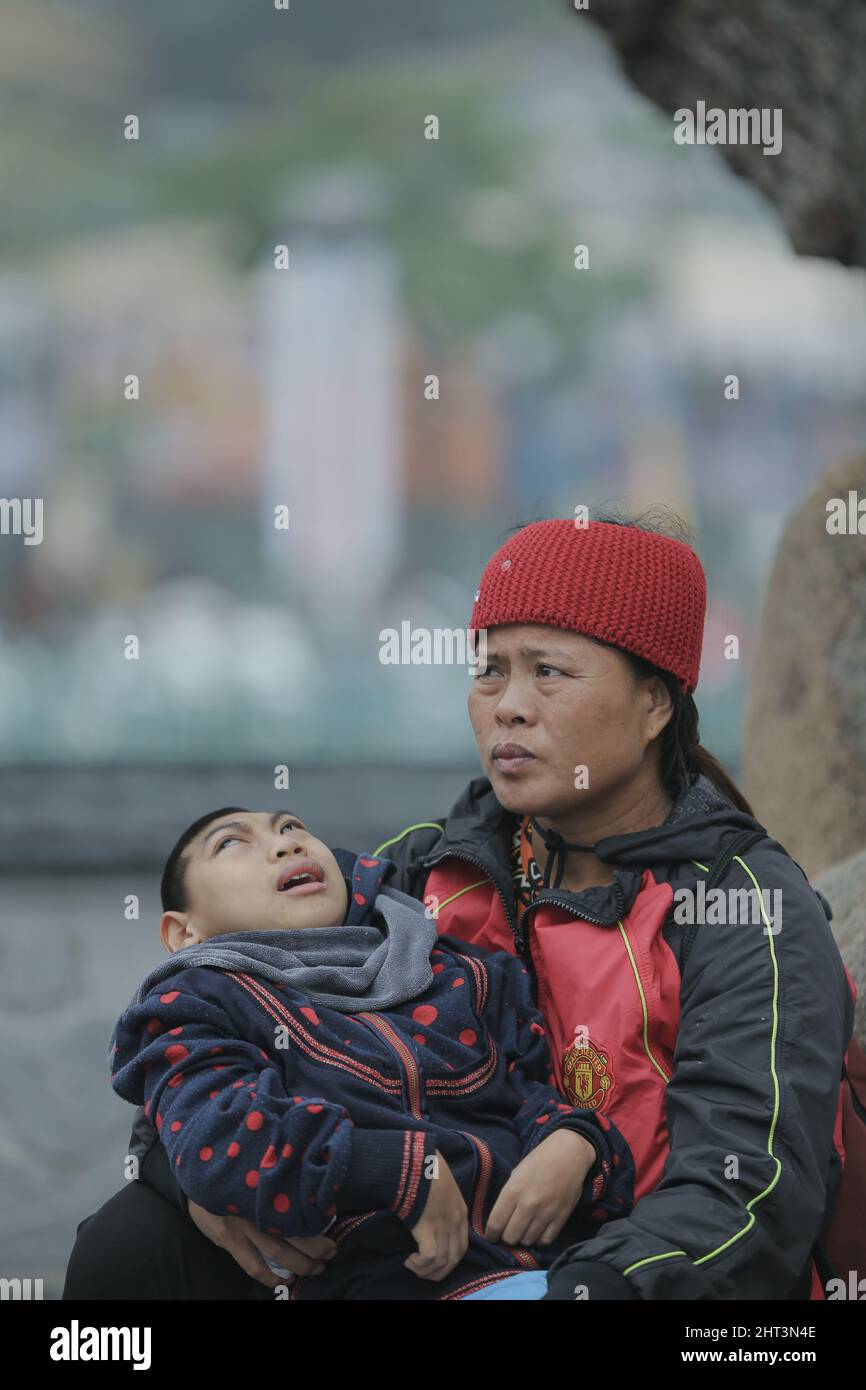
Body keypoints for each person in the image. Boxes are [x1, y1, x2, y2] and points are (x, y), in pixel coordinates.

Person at [65, 513, 855, 1301]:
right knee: (133, 1244)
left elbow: (745, 1198)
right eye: (489, 671)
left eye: (548, 672)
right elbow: (210, 1034)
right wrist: (194, 1180)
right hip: (413, 1256)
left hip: (625, 1281)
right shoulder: (426, 871)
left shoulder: (744, 908)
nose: (508, 706)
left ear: (655, 704)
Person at [91, 807, 634, 1301]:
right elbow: (220, 1139)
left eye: (292, 827)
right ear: (184, 931)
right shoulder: (199, 1004)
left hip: (551, 1272)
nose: (286, 845)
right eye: (231, 844)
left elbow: (531, 1094)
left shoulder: (459, 973)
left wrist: (576, 1142)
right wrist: (397, 1169)